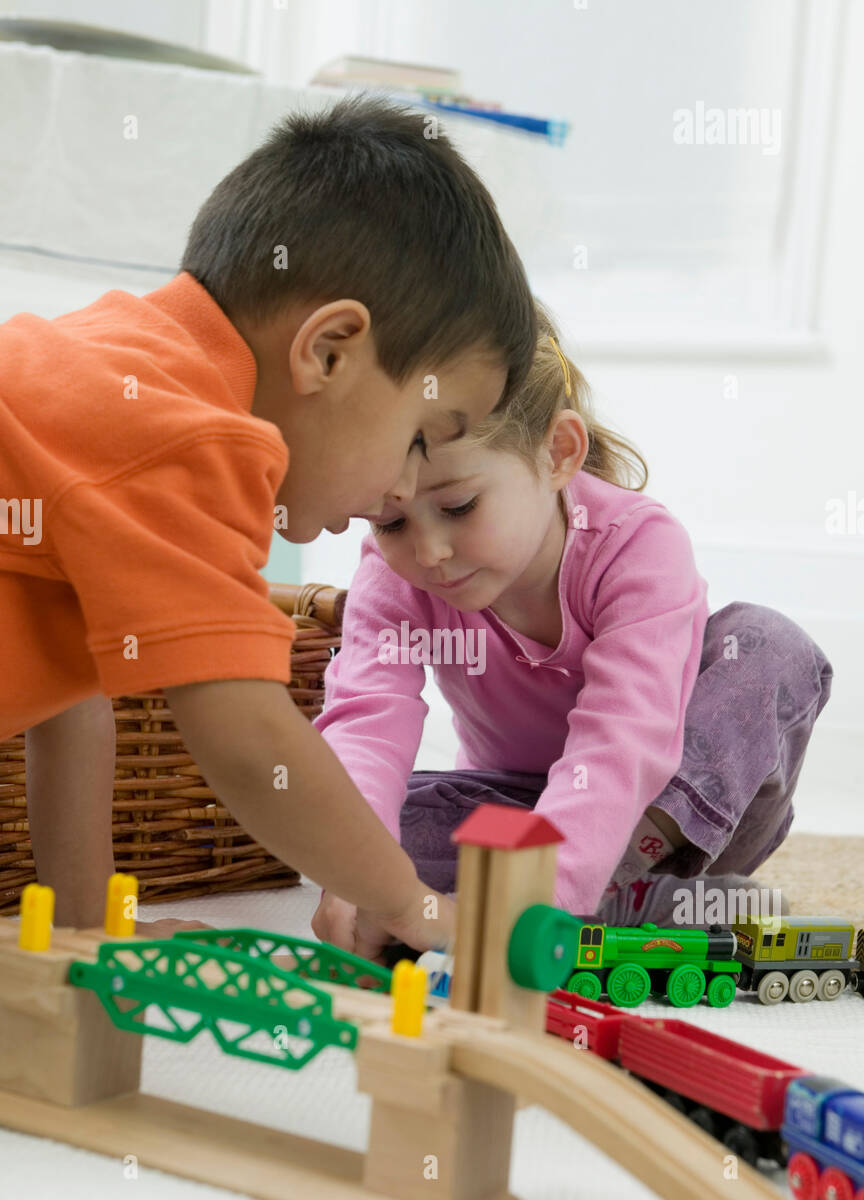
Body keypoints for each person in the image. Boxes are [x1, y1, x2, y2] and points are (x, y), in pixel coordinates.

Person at [0, 95, 537, 949]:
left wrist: (82, 927)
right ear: (329, 352)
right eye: (419, 438)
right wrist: (409, 903)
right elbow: (246, 733)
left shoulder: (110, 362)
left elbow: (69, 700)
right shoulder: (191, 437)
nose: (404, 491)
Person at [313, 302, 832, 958]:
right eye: (389, 522)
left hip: (679, 811)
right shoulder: (394, 577)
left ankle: (582, 895)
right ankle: (630, 910)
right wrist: (357, 877)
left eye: (458, 506)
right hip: (515, 811)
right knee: (333, 813)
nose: (430, 551)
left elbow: (624, 743)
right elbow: (366, 720)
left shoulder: (637, 545)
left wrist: (521, 908)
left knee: (769, 642)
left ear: (558, 453)